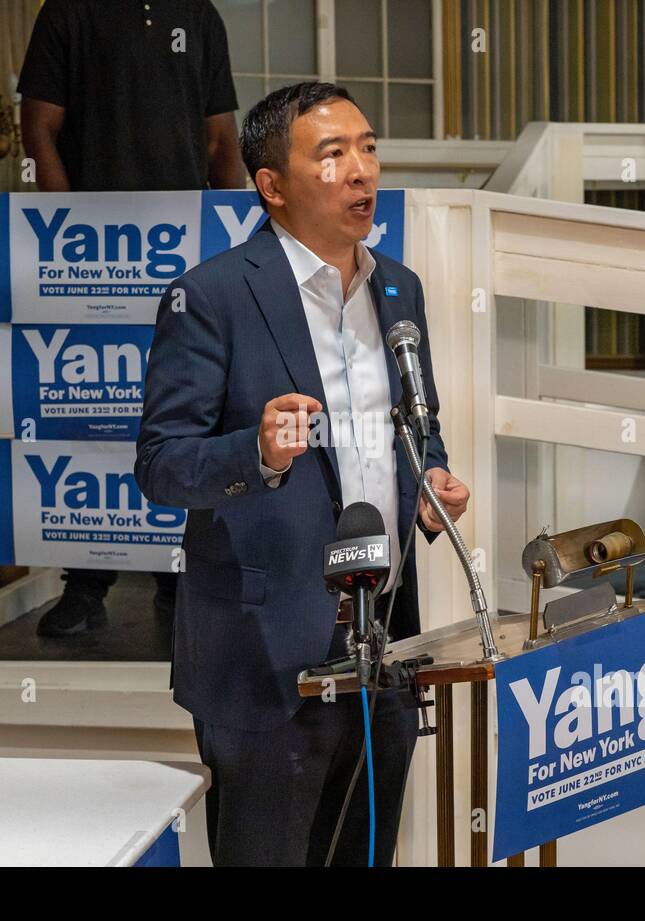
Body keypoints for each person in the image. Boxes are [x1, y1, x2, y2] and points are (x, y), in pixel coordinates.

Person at [135, 83, 470, 866]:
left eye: (368, 147)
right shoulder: (211, 297)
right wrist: (255, 454)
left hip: (384, 645)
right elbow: (161, 466)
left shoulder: (399, 289)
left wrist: (431, 479)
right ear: (272, 186)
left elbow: (419, 427)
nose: (362, 171)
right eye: (333, 154)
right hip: (263, 658)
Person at [17, 0, 247, 636]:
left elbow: (221, 138)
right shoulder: (68, 13)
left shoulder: (199, 15)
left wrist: (241, 237)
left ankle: (178, 583)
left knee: (182, 411)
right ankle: (87, 583)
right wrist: (67, 231)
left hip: (181, 247)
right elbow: (38, 129)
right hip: (93, 255)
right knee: (90, 410)